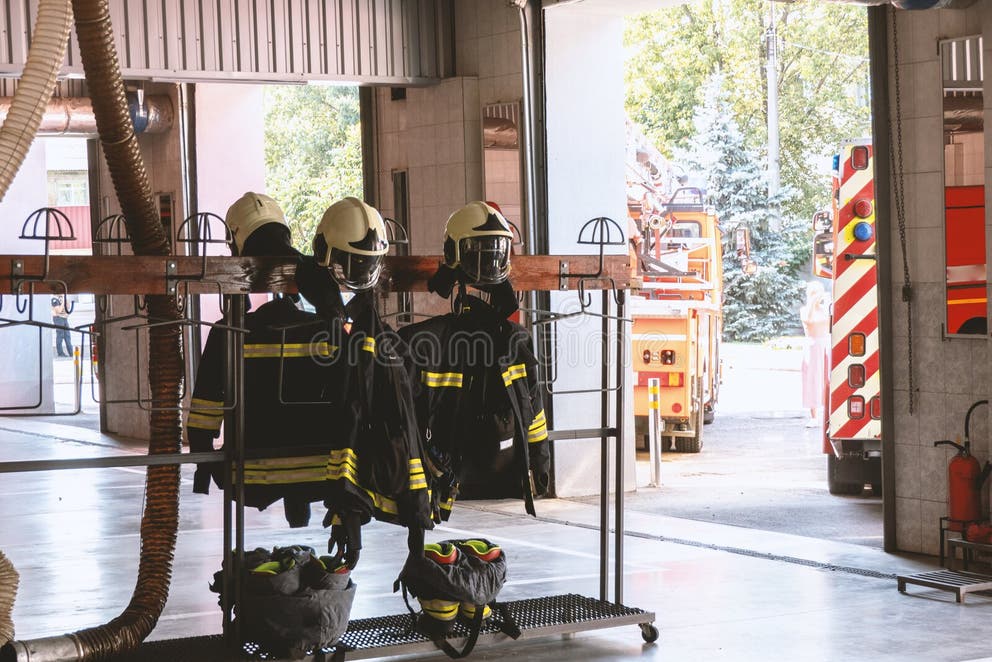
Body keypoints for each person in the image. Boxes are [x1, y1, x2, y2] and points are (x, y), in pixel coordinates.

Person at [800, 281, 830, 428]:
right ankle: (813, 416)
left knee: (827, 379)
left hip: (825, 345)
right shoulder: (805, 310)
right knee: (812, 380)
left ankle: (828, 412)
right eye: (815, 293)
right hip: (812, 347)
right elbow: (809, 321)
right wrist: (812, 302)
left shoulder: (825, 309)